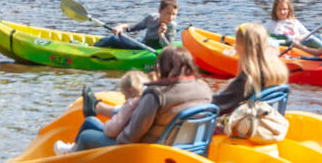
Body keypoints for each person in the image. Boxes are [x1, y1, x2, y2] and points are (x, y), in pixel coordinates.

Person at [69, 47, 214, 151]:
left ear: (163, 67)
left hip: (147, 152)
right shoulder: (204, 88)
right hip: (187, 150)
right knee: (91, 122)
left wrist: (116, 138)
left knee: (86, 136)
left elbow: (131, 137)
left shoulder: (156, 94)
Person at [211, 23, 292, 124]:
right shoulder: (274, 70)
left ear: (244, 47)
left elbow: (217, 106)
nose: (235, 48)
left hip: (244, 127)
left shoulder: (247, 78)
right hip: (264, 121)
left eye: (237, 43)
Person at [55, 70, 150, 155]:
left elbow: (112, 130)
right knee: (90, 121)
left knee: (85, 136)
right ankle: (73, 148)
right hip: (125, 138)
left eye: (124, 94)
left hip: (122, 144)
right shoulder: (144, 102)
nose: (124, 97)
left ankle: (72, 157)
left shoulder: (130, 105)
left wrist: (107, 125)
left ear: (129, 91)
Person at [97, 0, 180, 51]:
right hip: (143, 44)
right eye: (168, 13)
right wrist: (121, 26)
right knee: (115, 37)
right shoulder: (151, 18)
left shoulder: (171, 26)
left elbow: (168, 48)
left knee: (113, 39)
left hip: (150, 49)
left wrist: (161, 35)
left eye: (174, 14)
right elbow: (135, 27)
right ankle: (93, 48)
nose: (171, 17)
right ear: (160, 11)